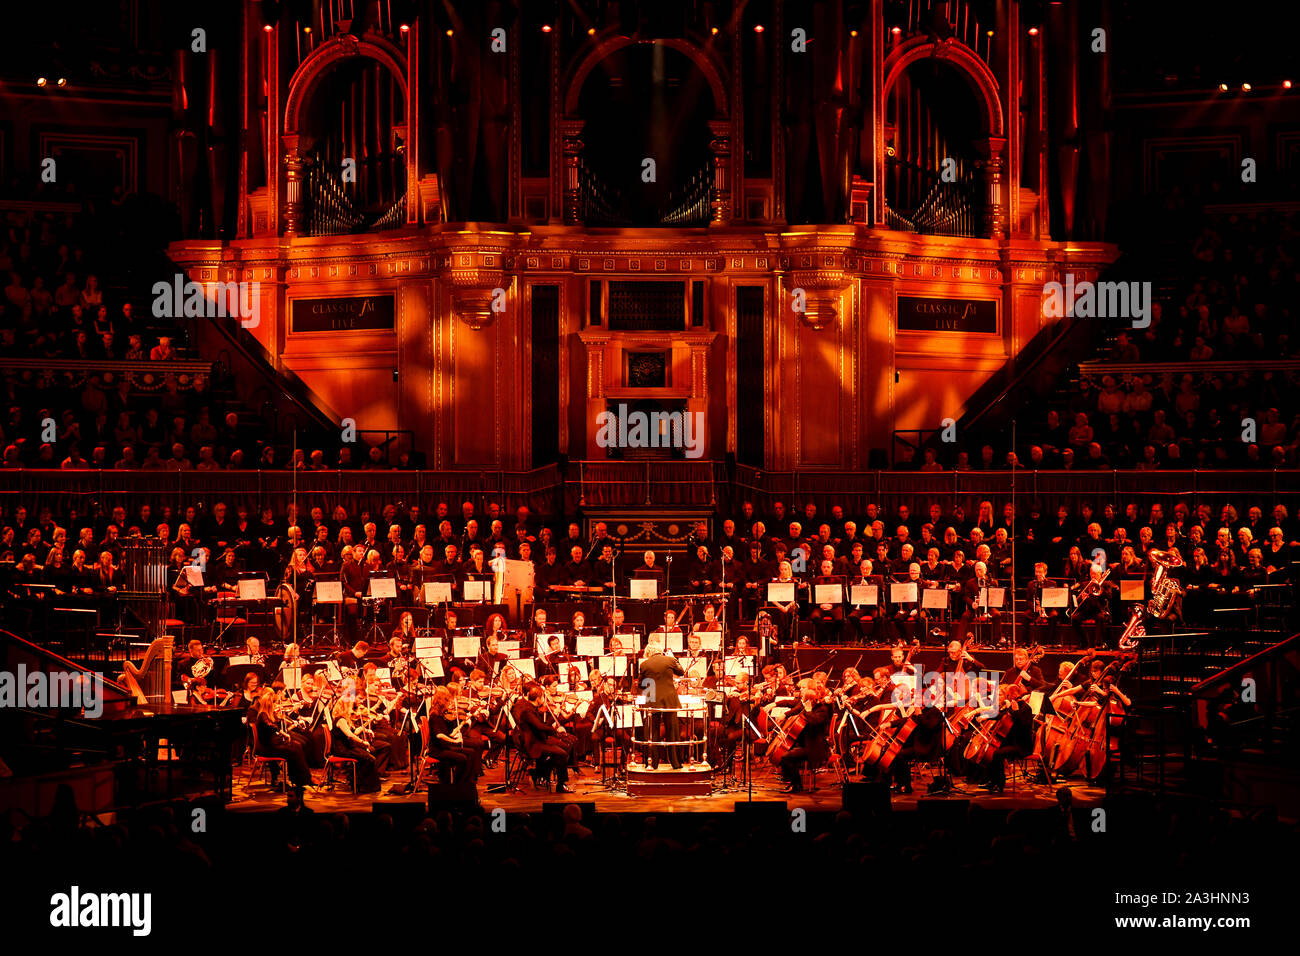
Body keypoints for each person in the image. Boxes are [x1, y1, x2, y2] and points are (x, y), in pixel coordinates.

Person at [512, 683, 573, 792]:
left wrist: (554, 717)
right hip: (533, 744)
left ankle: (540, 774)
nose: (544, 700)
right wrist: (554, 730)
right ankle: (560, 785)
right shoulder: (527, 711)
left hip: (539, 740)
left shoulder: (532, 708)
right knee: (562, 753)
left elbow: (542, 725)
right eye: (543, 697)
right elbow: (540, 726)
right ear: (538, 698)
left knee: (564, 747)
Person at [775, 679, 831, 793]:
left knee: (786, 757)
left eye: (806, 700)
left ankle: (796, 785)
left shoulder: (823, 709)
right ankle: (790, 781)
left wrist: (809, 710)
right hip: (806, 743)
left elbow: (814, 722)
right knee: (783, 753)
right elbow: (797, 711)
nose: (804, 703)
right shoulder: (807, 707)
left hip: (816, 748)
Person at [638, 641, 686, 770]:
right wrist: (673, 657)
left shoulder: (644, 664)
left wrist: (650, 689)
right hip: (669, 699)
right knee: (672, 731)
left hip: (652, 699)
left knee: (653, 733)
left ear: (648, 652)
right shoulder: (669, 660)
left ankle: (653, 763)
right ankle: (675, 763)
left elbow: (641, 684)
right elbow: (681, 672)